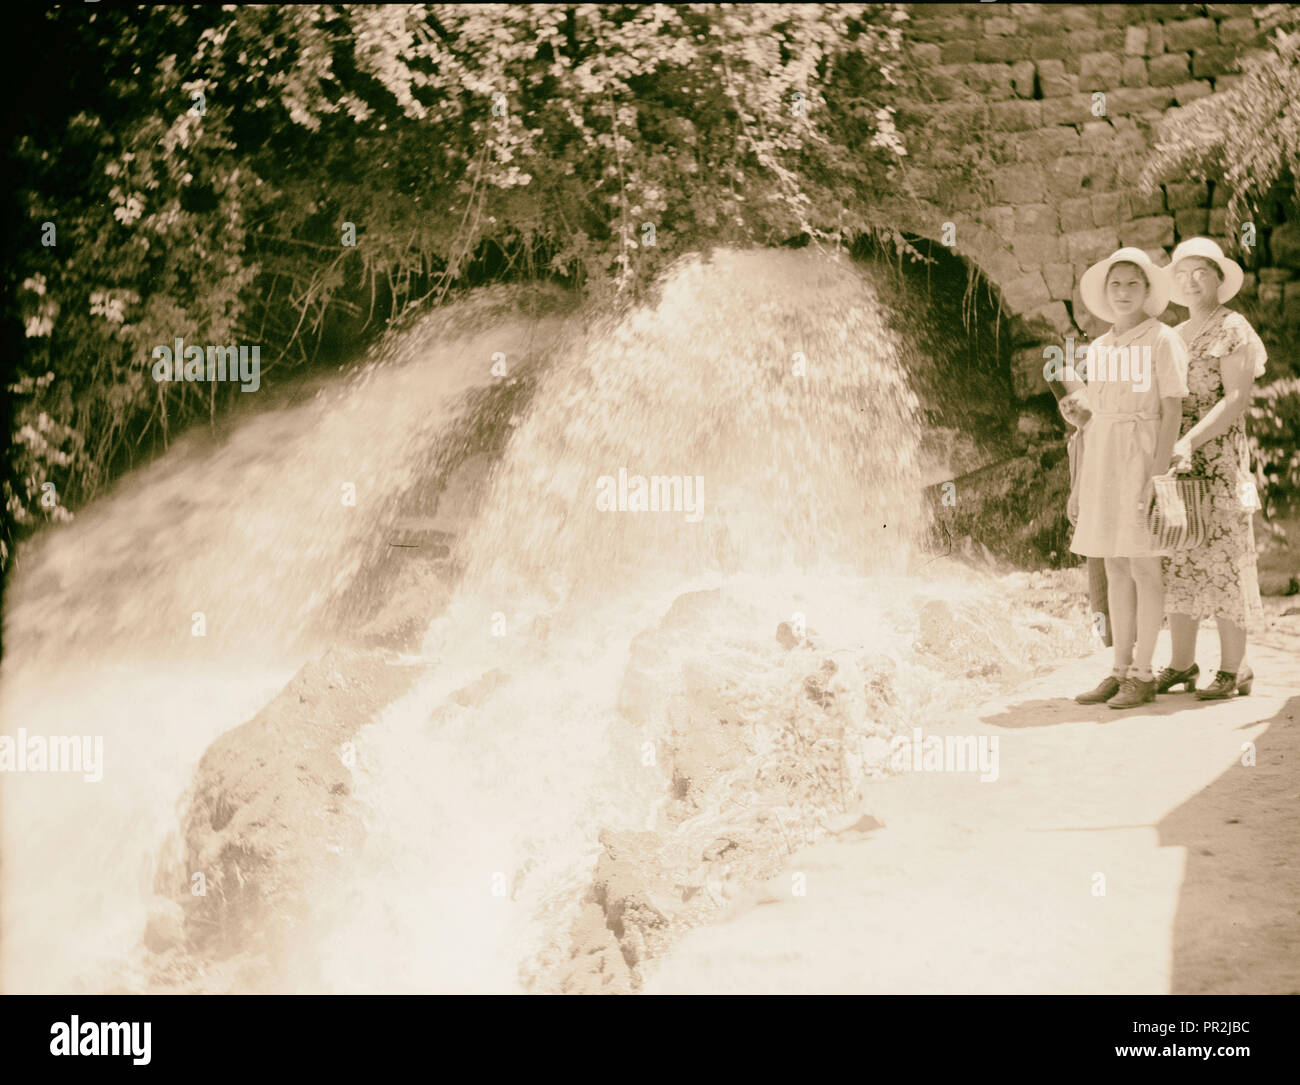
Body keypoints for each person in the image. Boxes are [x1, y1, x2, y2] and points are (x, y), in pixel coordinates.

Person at [1062, 248, 1188, 708]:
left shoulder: (1162, 338)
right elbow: (1091, 420)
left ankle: (1144, 671)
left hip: (1142, 454)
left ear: (1148, 291)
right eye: (1115, 285)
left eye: (1133, 284)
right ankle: (1119, 668)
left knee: (1143, 564)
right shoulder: (1099, 348)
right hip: (1104, 458)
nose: (1123, 292)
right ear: (1104, 292)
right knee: (1114, 564)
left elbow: (1173, 406)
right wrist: (1080, 484)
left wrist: (1157, 477)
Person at [1156, 237, 1266, 700]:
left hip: (1222, 463)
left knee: (1226, 559)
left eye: (1201, 270)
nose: (1191, 280)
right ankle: (1182, 664)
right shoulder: (1174, 336)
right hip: (1180, 464)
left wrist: (1188, 440)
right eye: (1182, 273)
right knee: (1178, 556)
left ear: (1219, 278)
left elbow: (1236, 400)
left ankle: (1235, 668)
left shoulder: (1233, 327)